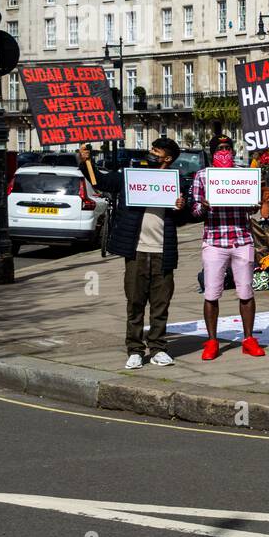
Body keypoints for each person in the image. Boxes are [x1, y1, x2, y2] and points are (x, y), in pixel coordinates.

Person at [81, 138, 189, 370]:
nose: (151, 152)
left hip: (163, 250)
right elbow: (101, 181)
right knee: (135, 303)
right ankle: (135, 350)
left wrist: (182, 206)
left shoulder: (177, 181)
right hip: (136, 250)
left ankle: (158, 348)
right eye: (152, 149)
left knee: (161, 304)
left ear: (168, 158)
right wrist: (85, 161)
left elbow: (183, 218)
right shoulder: (132, 175)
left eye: (156, 150)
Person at [190, 136, 266, 361]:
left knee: (246, 292)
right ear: (212, 152)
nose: (224, 152)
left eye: (227, 148)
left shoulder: (244, 174)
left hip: (242, 240)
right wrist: (204, 207)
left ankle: (249, 339)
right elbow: (194, 211)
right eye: (220, 148)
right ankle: (212, 341)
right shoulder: (202, 176)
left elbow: (252, 207)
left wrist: (255, 205)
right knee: (211, 293)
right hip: (214, 241)